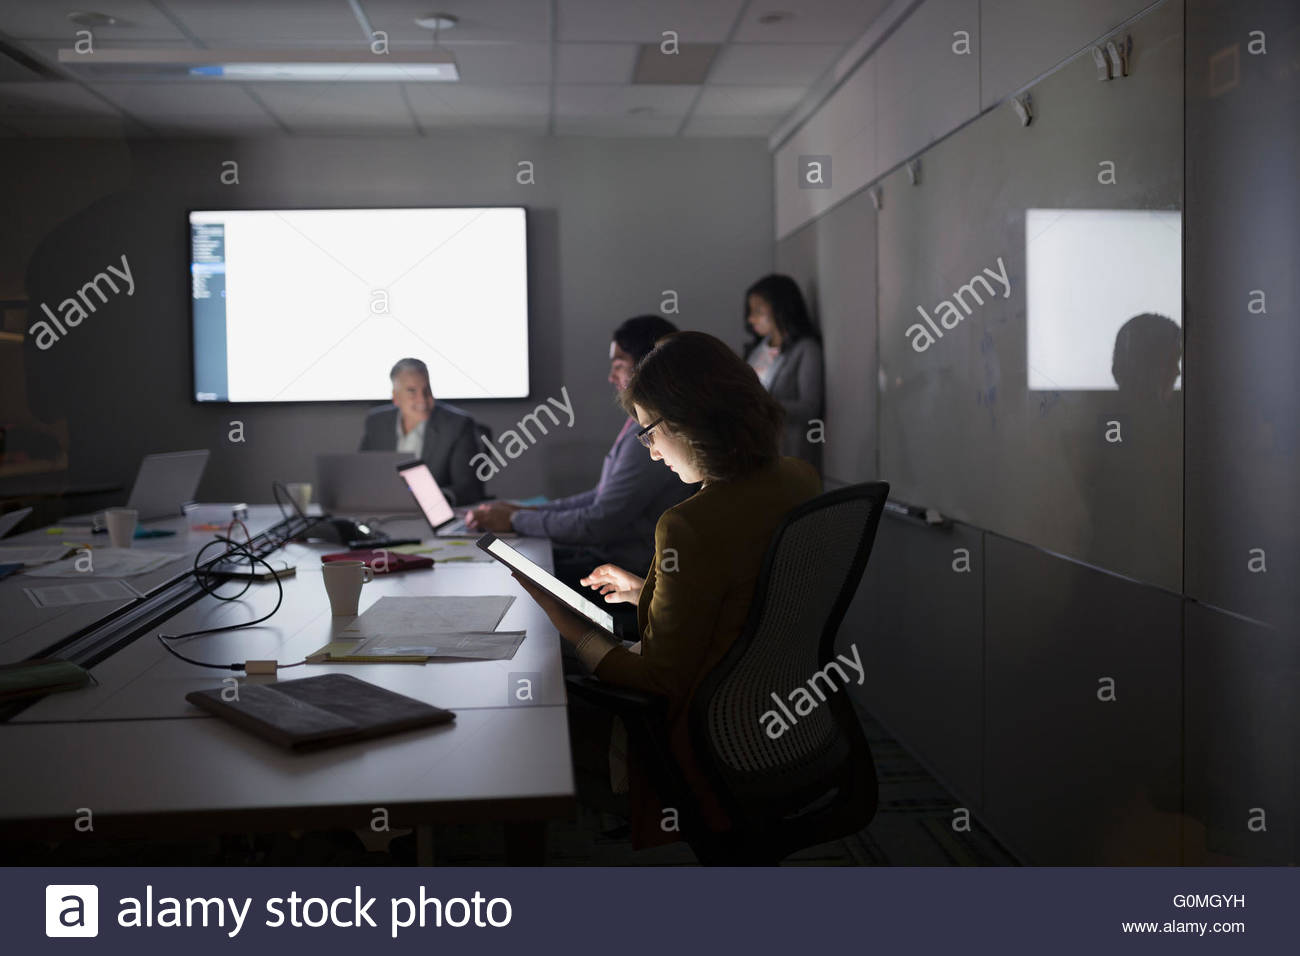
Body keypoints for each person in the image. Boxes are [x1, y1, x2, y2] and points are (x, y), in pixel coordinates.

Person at [509, 331, 822, 849]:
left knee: (528, 720)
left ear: (692, 420)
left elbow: (657, 679)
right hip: (785, 712)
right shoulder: (797, 477)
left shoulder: (687, 525)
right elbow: (744, 596)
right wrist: (648, 589)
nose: (651, 453)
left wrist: (559, 615)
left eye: (649, 431)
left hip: (706, 736)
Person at [465, 316, 691, 589]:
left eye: (619, 365)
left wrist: (515, 519)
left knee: (509, 579)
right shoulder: (640, 425)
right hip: (614, 566)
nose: (611, 377)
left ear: (649, 366)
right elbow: (600, 498)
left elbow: (599, 522)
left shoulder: (654, 432)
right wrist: (524, 511)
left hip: (628, 573)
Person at [358, 357, 483, 506]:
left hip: (433, 513)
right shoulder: (376, 422)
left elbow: (468, 488)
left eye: (427, 390)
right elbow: (363, 476)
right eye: (412, 391)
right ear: (396, 397)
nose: (422, 399)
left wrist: (433, 503)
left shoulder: (458, 425)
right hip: (383, 510)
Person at [743, 274, 824, 470]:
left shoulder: (806, 349)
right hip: (756, 451)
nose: (751, 318)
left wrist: (762, 405)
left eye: (759, 310)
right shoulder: (757, 350)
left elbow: (810, 407)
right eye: (750, 311)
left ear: (781, 308)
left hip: (789, 454)